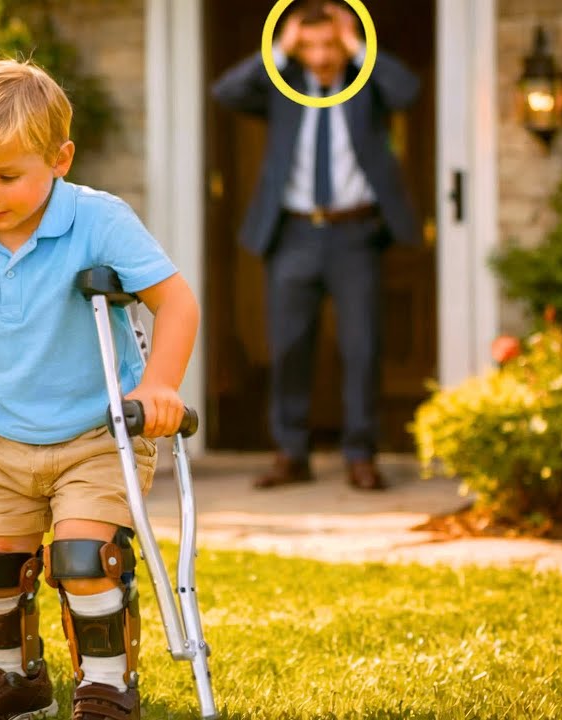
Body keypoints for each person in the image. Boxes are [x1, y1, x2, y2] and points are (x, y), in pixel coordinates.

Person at [0, 59, 200, 720]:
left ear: (60, 159)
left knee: (86, 557)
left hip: (96, 432)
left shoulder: (100, 219)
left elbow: (176, 303)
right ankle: (12, 680)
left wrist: (160, 385)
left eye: (6, 177)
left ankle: (108, 685)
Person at [211, 0, 421, 491]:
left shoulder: (366, 81)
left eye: (331, 44)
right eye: (312, 45)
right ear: (298, 47)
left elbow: (408, 90)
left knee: (362, 346)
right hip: (294, 234)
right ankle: (291, 453)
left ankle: (360, 455)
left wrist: (357, 46)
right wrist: (280, 50)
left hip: (356, 234)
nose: (323, 55)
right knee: (288, 347)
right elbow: (226, 91)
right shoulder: (283, 86)